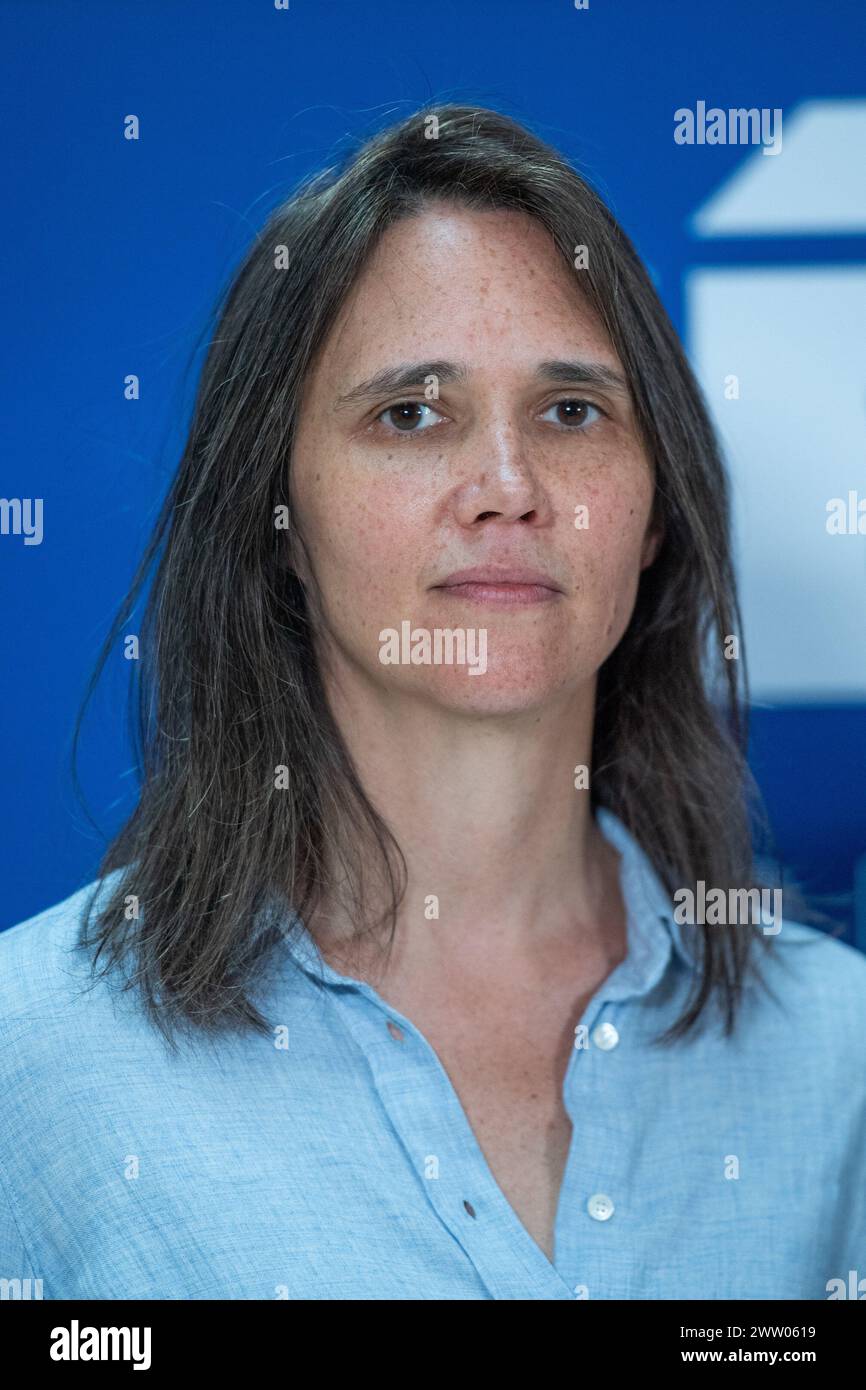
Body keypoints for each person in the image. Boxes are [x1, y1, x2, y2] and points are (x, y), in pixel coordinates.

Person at [1, 104, 864, 1302]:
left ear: (654, 507)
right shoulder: (32, 1062)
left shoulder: (838, 1060)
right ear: (277, 522)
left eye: (571, 412)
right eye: (410, 412)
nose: (506, 488)